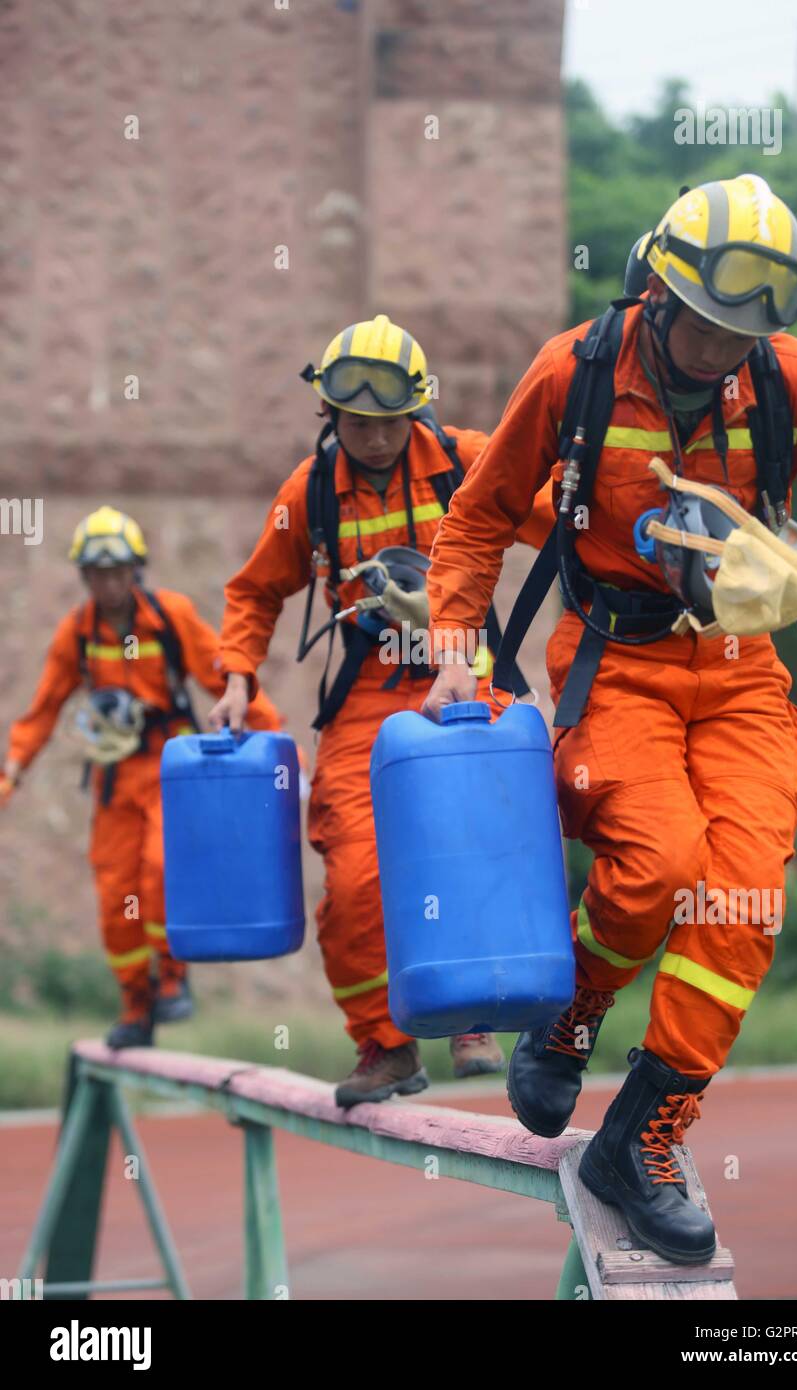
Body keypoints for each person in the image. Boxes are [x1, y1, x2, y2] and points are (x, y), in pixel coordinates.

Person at [421, 174, 797, 1263]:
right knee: (658, 860)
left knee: (745, 893)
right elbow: (478, 518)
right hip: (611, 661)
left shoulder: (787, 380)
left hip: (740, 669)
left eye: (742, 336)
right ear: (656, 292)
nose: (720, 354)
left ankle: (645, 1131)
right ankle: (567, 1018)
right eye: (706, 328)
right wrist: (447, 648)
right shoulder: (572, 372)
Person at [211, 314, 554, 1106]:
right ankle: (387, 1044)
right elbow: (254, 590)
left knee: (485, 844)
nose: (372, 436)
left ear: (416, 410)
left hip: (460, 678)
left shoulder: (467, 462)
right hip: (368, 695)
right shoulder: (309, 495)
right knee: (355, 877)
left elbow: (570, 531)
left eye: (387, 421)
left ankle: (479, 1009)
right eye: (356, 421)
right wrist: (236, 677)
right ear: (330, 416)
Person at [1, 506, 282, 1048]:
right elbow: (43, 709)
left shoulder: (169, 617)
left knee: (160, 872)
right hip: (114, 778)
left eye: (118, 571)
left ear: (136, 570)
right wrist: (12, 772)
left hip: (171, 771)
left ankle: (173, 980)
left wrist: (274, 740)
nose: (109, 583)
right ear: (85, 578)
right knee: (116, 895)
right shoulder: (77, 634)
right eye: (98, 574)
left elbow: (223, 676)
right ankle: (138, 1004)